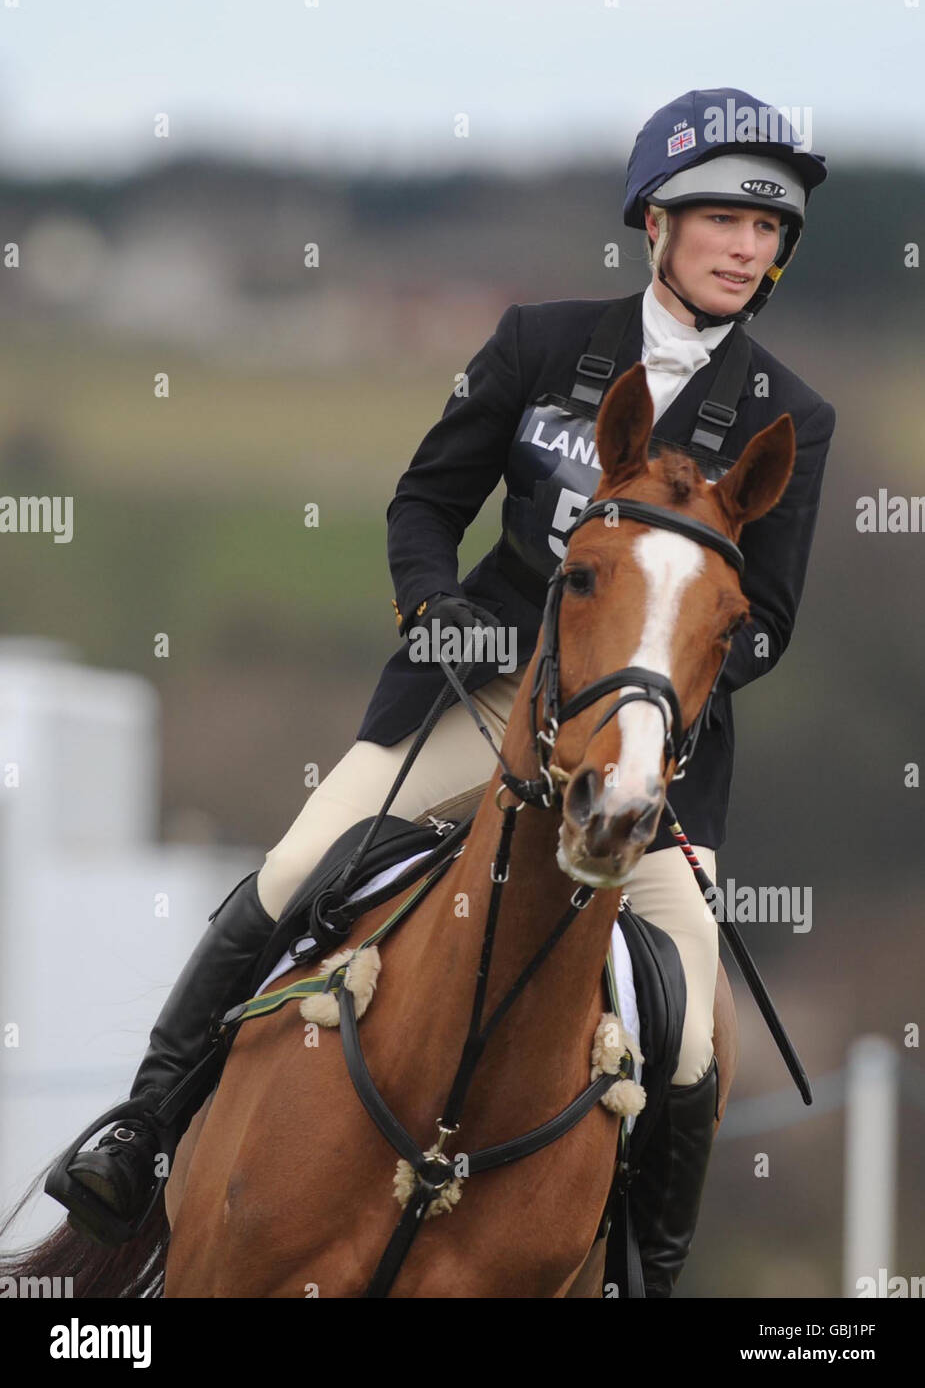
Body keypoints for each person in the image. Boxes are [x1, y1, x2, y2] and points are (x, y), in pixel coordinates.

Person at [46, 87, 835, 1297]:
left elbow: (766, 623)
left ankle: (647, 1274)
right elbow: (423, 506)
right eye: (721, 218)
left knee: (684, 1029)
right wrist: (435, 608)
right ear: (655, 226)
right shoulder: (540, 342)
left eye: (766, 230)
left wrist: (655, 693)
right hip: (472, 697)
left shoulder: (791, 415)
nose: (744, 247)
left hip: (638, 738)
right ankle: (138, 1137)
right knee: (295, 872)